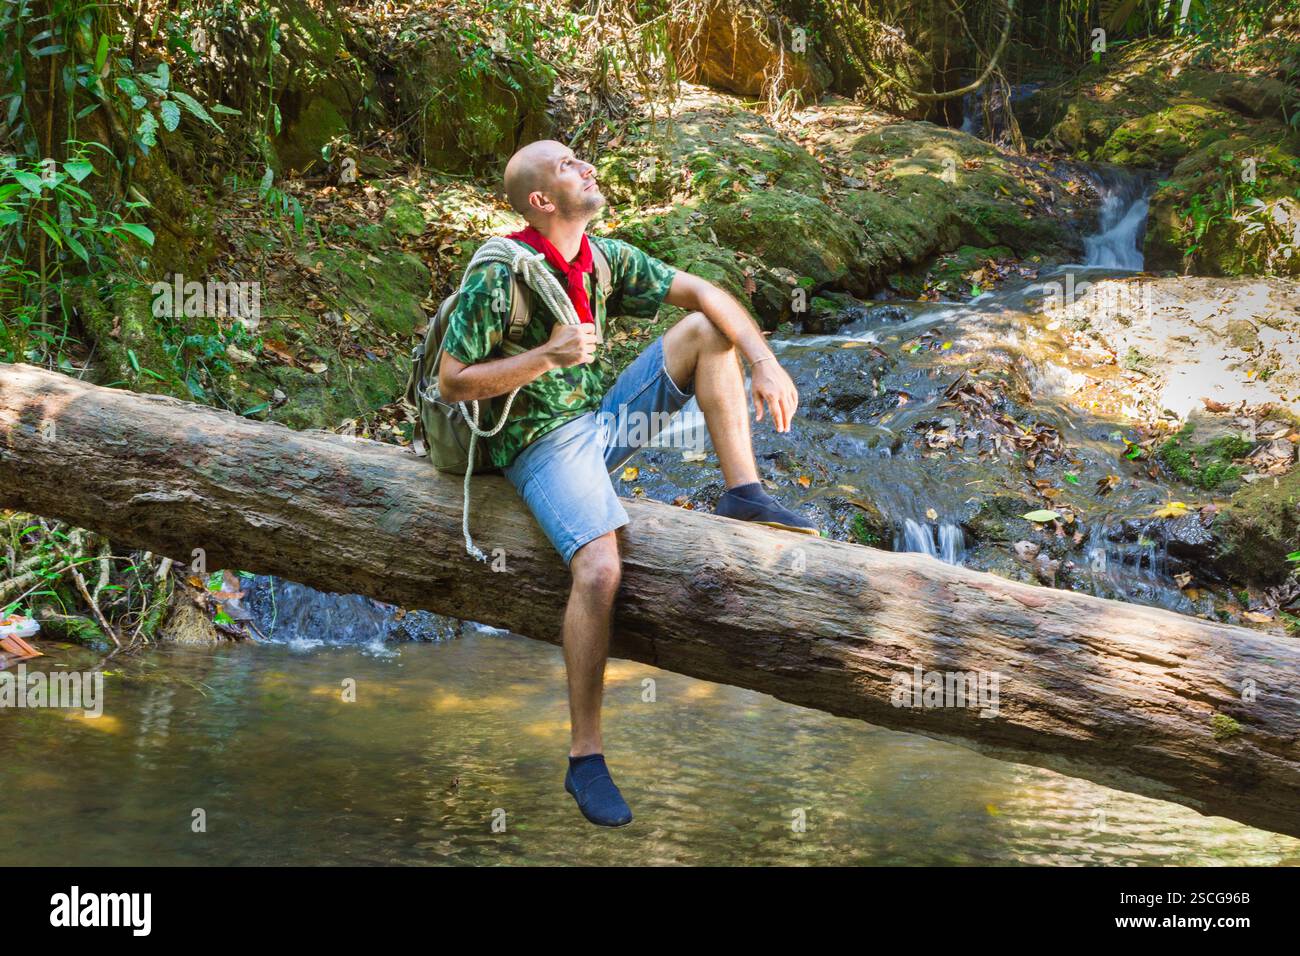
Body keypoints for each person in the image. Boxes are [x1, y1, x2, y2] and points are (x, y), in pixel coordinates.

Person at [438, 139, 819, 827]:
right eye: (565, 166)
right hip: (535, 443)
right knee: (600, 567)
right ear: (541, 201)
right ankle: (585, 756)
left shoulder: (601, 258)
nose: (585, 166)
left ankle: (743, 492)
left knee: (707, 330)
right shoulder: (499, 273)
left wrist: (764, 359)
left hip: (595, 423)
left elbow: (703, 292)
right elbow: (453, 381)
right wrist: (544, 357)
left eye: (580, 157)